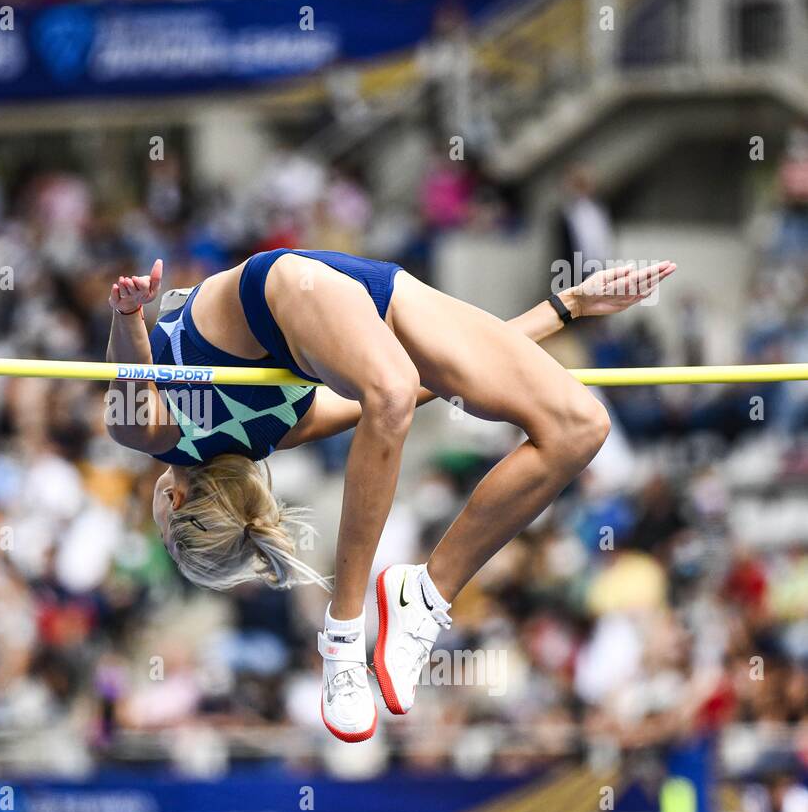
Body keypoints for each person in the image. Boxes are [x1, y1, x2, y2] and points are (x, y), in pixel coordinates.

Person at [104, 249, 675, 742]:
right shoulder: (265, 429)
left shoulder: (166, 431)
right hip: (369, 296)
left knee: (391, 393)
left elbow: (131, 382)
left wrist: (129, 316)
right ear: (173, 506)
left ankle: (344, 631)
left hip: (288, 290)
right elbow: (435, 382)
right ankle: (425, 592)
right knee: (579, 427)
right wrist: (567, 307)